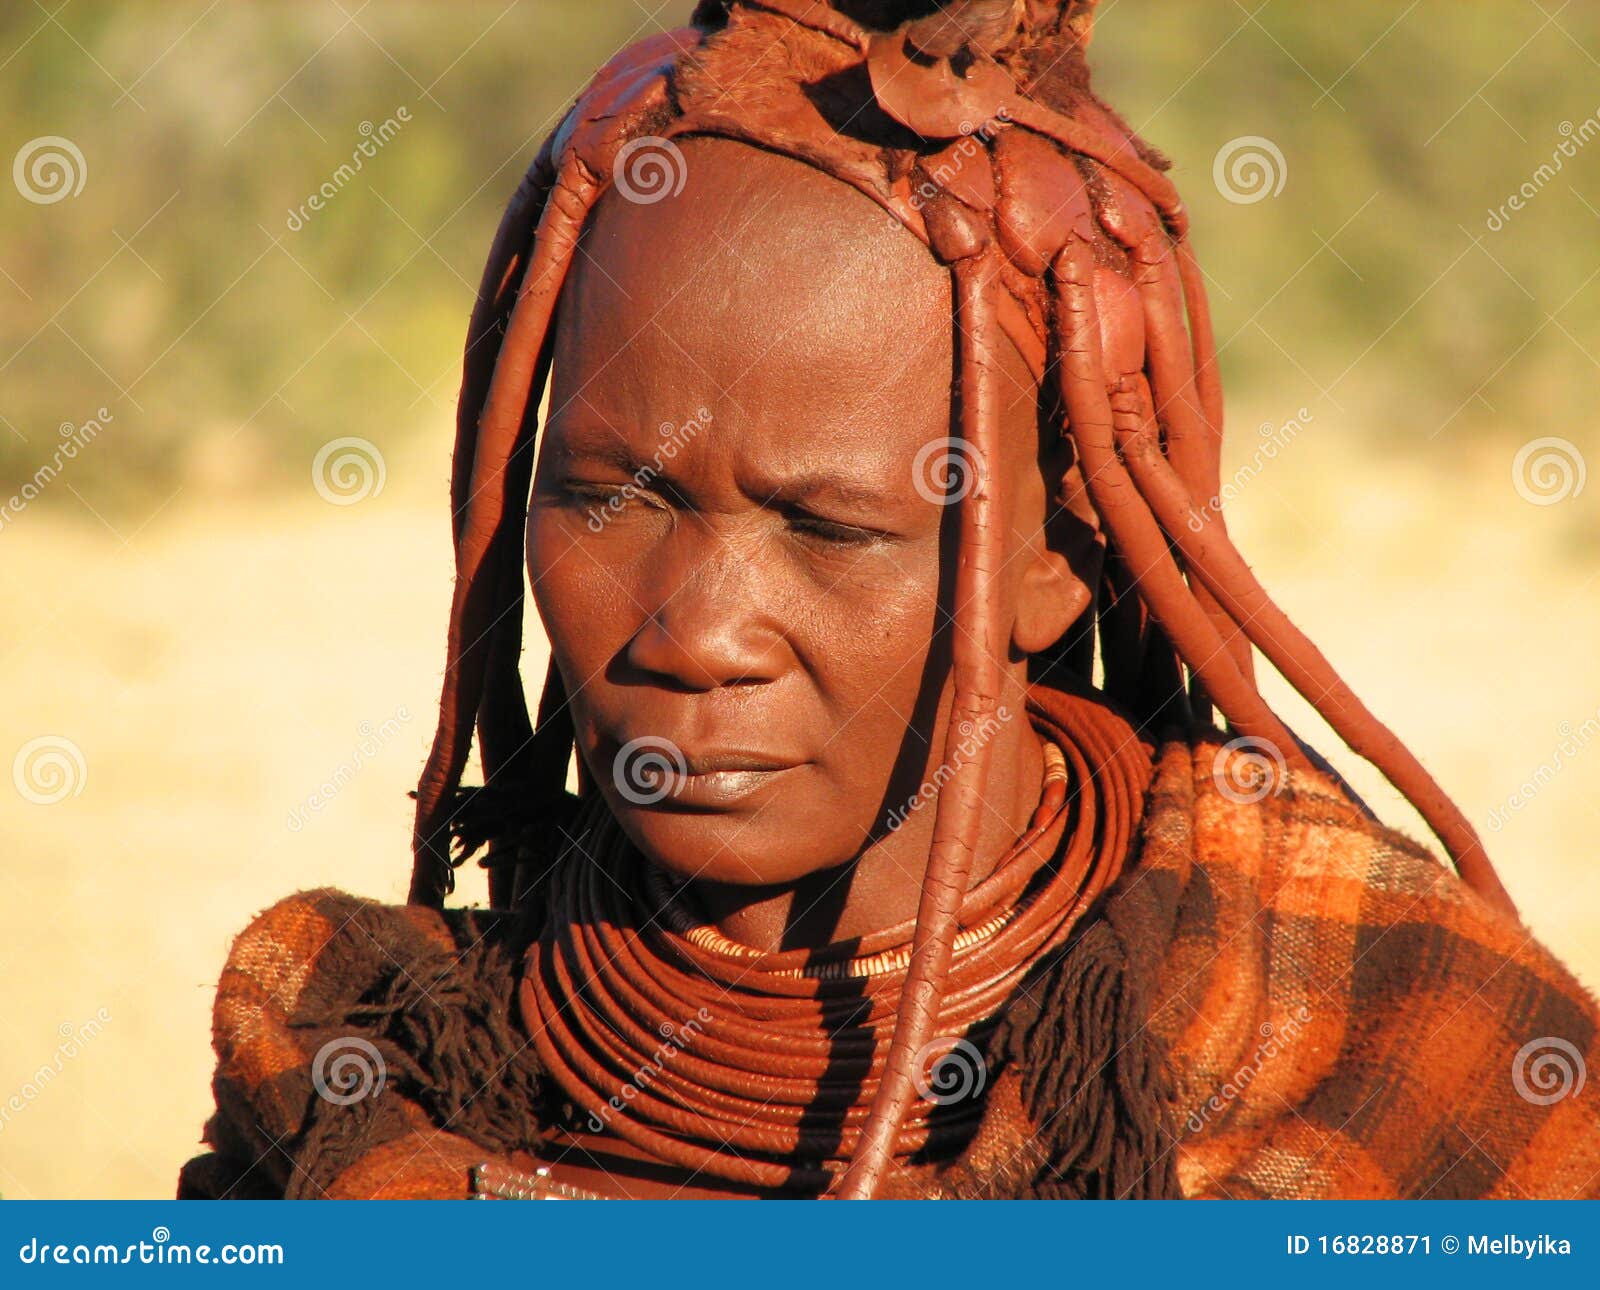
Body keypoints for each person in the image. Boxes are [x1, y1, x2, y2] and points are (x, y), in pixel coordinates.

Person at [178, 0, 1600, 1201]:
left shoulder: (1393, 1034)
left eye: (828, 528)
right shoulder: (357, 1072)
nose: (697, 635)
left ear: (1058, 559)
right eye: (615, 498)